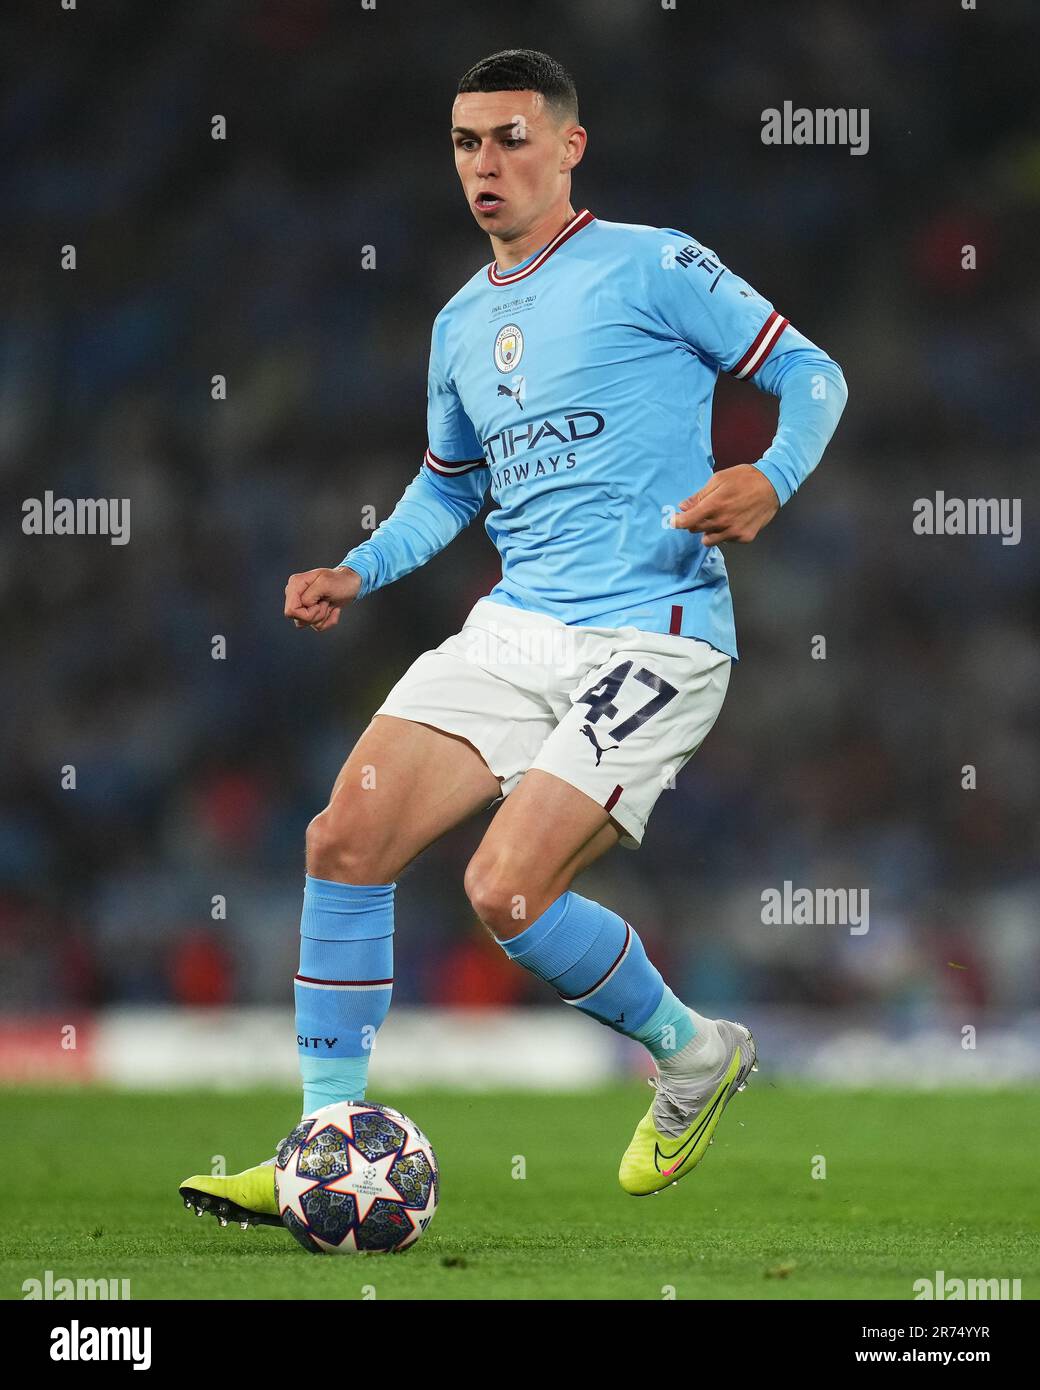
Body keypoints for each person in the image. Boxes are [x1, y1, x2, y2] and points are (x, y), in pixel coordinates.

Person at [180, 46, 846, 1229]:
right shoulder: (453, 326)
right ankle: (318, 1145)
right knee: (342, 838)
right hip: (517, 626)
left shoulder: (650, 264)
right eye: (464, 144)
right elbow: (449, 490)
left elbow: (811, 372)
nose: (484, 166)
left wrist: (770, 477)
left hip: (655, 632)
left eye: (509, 139)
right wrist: (357, 566)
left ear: (567, 145)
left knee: (504, 892)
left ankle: (690, 1052)